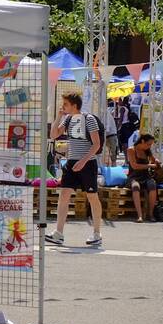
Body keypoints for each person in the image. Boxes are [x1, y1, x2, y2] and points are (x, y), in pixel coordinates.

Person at [47, 93, 103, 248]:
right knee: (64, 194)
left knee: (92, 196)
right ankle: (58, 233)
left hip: (88, 163)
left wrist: (83, 161)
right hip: (71, 162)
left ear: (74, 105)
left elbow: (96, 144)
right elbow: (53, 135)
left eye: (65, 104)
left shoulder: (89, 119)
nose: (63, 106)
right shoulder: (68, 119)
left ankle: (97, 233)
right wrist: (58, 117)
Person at [125, 133, 161, 222]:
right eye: (148, 144)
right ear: (142, 141)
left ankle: (151, 214)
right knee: (135, 187)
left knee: (153, 186)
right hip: (134, 176)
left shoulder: (147, 151)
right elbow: (134, 166)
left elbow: (153, 160)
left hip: (146, 175)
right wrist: (150, 165)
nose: (149, 146)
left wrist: (156, 161)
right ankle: (139, 215)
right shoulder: (131, 150)